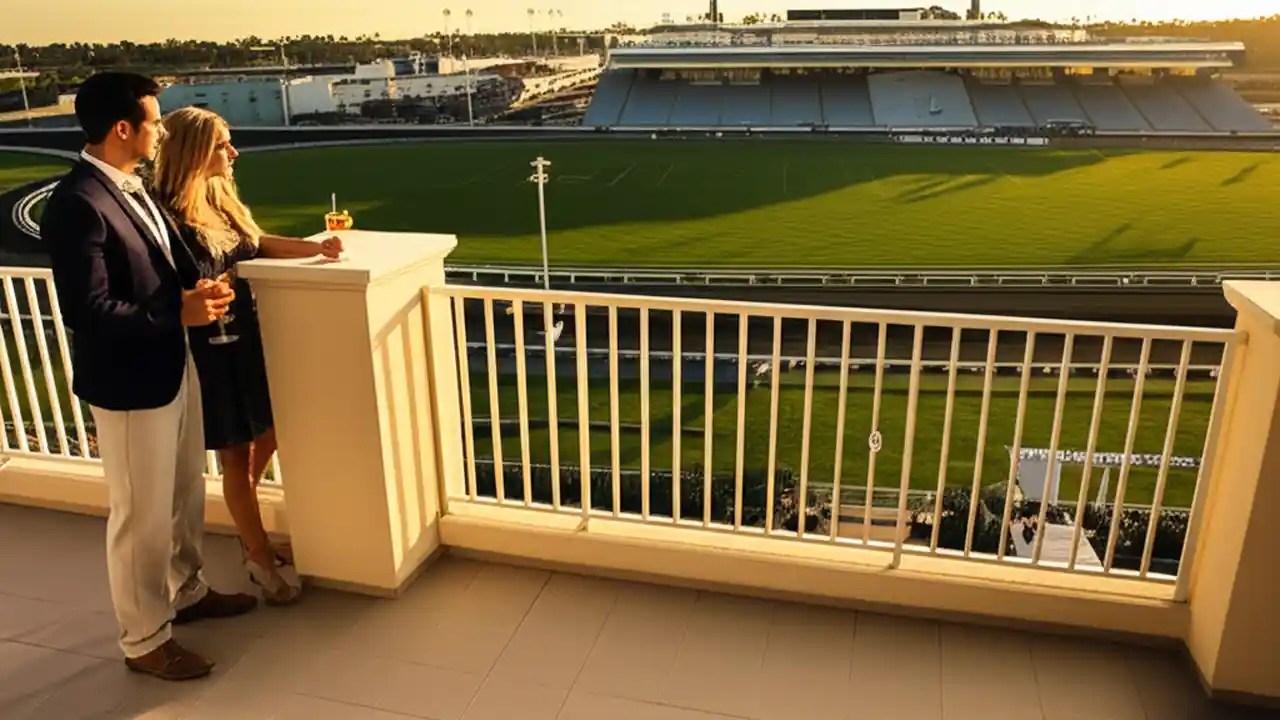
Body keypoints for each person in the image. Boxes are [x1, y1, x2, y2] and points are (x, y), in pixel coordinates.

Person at [42, 72, 258, 682]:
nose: (162, 130)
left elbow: (162, 266)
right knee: (139, 515)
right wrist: (177, 313)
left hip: (173, 365)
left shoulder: (133, 186)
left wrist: (197, 289)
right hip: (130, 383)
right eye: (155, 121)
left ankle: (186, 592)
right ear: (123, 129)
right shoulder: (78, 203)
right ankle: (143, 640)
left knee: (185, 492)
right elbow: (88, 311)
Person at [153, 106, 342, 606]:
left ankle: (247, 527)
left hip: (245, 339)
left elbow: (256, 246)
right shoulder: (165, 213)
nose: (233, 153)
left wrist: (318, 249)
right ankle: (257, 556)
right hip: (207, 349)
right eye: (223, 145)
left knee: (271, 430)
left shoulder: (221, 199)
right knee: (234, 451)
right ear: (195, 151)